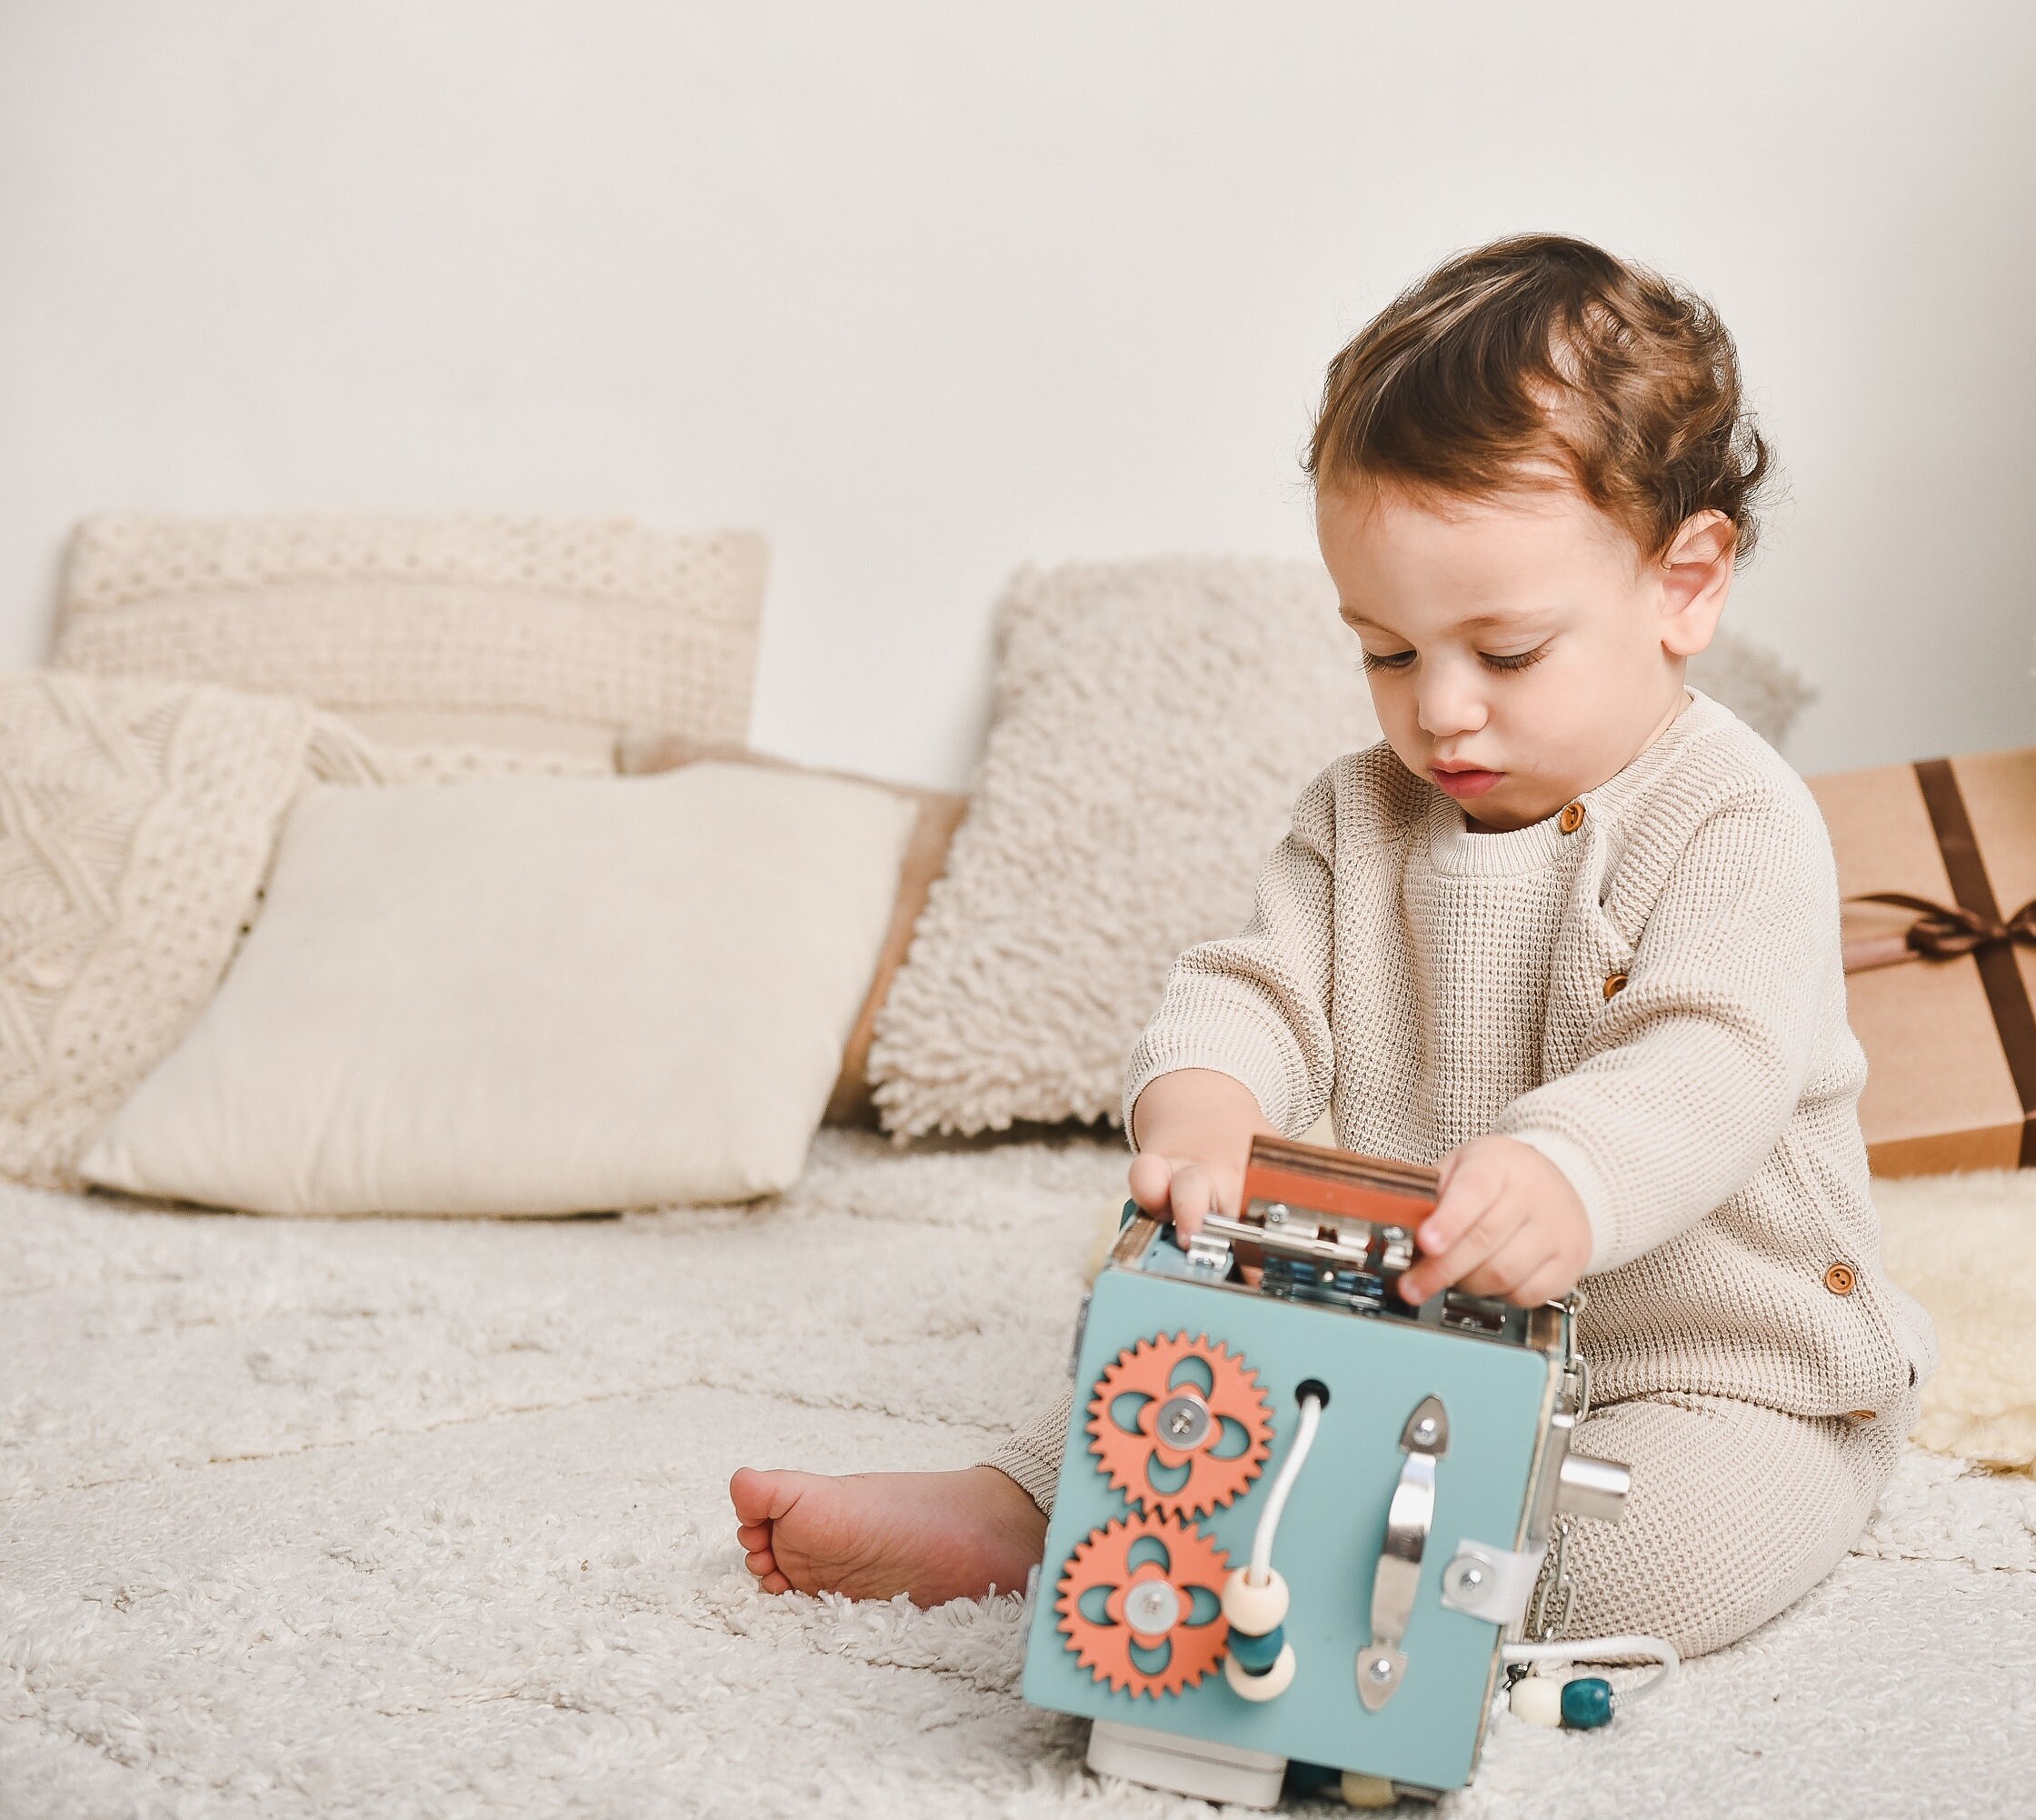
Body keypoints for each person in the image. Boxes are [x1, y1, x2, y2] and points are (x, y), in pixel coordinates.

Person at [730, 234, 1934, 1656]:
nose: (1441, 713)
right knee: (1164, 1382)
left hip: (1712, 1364)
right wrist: (1206, 1104)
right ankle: (1025, 1504)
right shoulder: (1359, 815)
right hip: (1417, 1326)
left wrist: (1573, 1171)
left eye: (1507, 650)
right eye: (1386, 650)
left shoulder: (1737, 818)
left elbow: (1709, 1059)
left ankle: (1399, 1554)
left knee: (1631, 1561)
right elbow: (1253, 987)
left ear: (1685, 582)